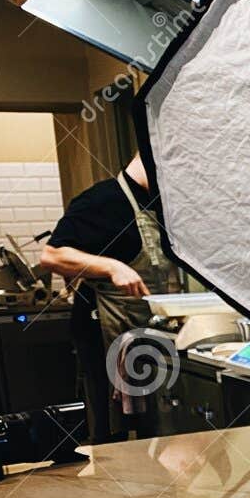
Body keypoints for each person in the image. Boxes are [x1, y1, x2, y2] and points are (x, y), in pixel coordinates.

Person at [40, 151, 181, 443]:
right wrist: (111, 267)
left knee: (154, 424)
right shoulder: (102, 200)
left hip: (148, 332)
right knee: (113, 425)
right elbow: (52, 255)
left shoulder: (158, 204)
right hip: (106, 331)